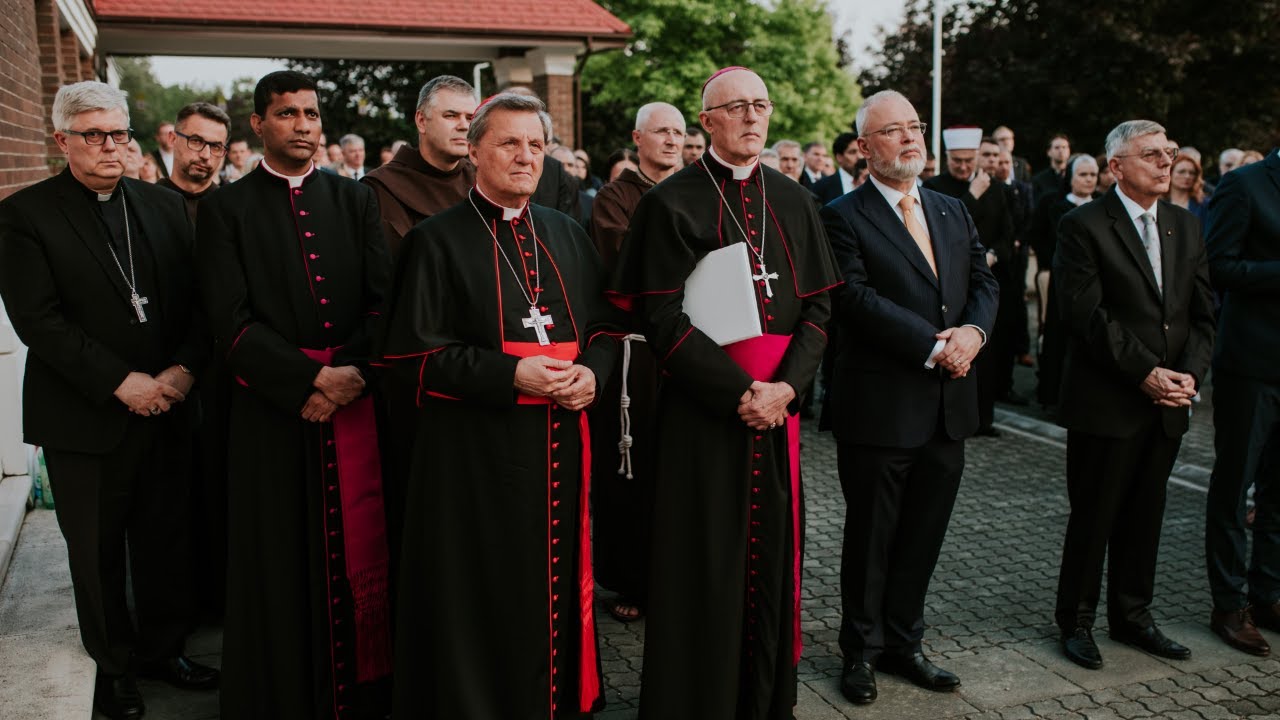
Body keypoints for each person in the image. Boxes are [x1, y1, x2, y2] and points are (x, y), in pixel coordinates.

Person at [379, 91, 618, 719]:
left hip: (563, 451)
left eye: (535, 145)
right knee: (487, 595)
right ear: (476, 151)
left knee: (558, 588)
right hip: (476, 461)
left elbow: (606, 329)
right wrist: (513, 374)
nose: (525, 156)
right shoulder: (436, 241)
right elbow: (412, 359)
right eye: (509, 143)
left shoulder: (567, 232)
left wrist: (593, 372)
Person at [610, 65, 839, 719]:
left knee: (771, 562)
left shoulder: (794, 200)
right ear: (705, 122)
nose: (751, 116)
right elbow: (659, 317)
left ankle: (765, 702)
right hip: (704, 410)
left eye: (760, 105)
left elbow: (820, 313)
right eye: (735, 107)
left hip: (778, 412)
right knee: (702, 560)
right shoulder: (671, 202)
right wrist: (741, 392)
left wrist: (785, 392)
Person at [0, 80, 217, 720]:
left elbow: (195, 302)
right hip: (85, 413)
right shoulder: (26, 214)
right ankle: (114, 665)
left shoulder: (162, 206)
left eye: (118, 134)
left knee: (164, 538)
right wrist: (123, 383)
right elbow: (38, 320)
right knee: (95, 550)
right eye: (92, 134)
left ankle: (163, 650)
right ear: (62, 139)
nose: (108, 147)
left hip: (168, 405)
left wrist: (181, 373)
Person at [197, 70, 393, 718]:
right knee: (278, 558)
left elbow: (383, 303)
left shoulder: (354, 199)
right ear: (258, 124)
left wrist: (353, 376)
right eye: (287, 114)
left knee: (357, 555)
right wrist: (309, 380)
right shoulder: (227, 208)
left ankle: (360, 694)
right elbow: (229, 319)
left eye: (311, 113)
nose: (304, 125)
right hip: (272, 413)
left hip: (353, 404)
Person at [820, 90, 997, 705]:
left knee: (923, 535)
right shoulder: (843, 214)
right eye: (894, 131)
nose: (911, 139)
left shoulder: (950, 209)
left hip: (949, 406)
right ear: (865, 148)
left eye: (916, 127)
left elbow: (983, 279)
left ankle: (905, 643)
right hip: (881, 407)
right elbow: (854, 299)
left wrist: (973, 334)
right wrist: (934, 344)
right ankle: (860, 653)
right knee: (871, 537)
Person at [1053, 120, 1215, 671]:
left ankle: (1134, 616)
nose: (1165, 162)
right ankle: (1075, 622)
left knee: (1147, 514)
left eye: (1168, 152)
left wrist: (1188, 376)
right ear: (1116, 167)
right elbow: (1084, 315)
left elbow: (1202, 314)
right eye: (1151, 155)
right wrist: (1146, 372)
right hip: (1107, 400)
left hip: (1167, 402)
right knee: (1094, 516)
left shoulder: (1186, 226)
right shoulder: (1083, 225)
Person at [587, 101, 685, 625]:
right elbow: (624, 260)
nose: (671, 140)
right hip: (637, 353)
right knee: (633, 469)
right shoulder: (615, 197)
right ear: (637, 138)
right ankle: (631, 579)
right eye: (661, 131)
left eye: (678, 131)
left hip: (691, 346)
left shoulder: (696, 187)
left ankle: (675, 575)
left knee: (680, 465)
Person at [1204, 147, 1280, 658]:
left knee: (1279, 491)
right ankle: (1229, 607)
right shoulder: (1246, 185)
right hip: (1251, 364)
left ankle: (1268, 594)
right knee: (1236, 486)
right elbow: (1218, 265)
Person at [925, 129, 1017, 433]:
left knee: (986, 347)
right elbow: (947, 224)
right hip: (950, 278)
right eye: (957, 161)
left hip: (988, 275)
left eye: (968, 161)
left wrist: (992, 255)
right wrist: (973, 195)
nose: (963, 167)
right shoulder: (934, 187)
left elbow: (1008, 234)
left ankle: (984, 418)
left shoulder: (997, 188)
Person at [362, 74, 477, 259]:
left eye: (470, 118)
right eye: (451, 115)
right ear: (422, 121)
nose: (464, 126)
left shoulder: (481, 181)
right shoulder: (380, 187)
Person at [1030, 154, 1097, 408]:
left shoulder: (1101, 205)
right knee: (1058, 339)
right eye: (1083, 174)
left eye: (1092, 175)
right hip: (1062, 281)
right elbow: (1038, 237)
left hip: (1093, 283)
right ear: (1070, 177)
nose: (1089, 180)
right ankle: (1053, 395)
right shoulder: (1054, 204)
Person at [156, 102, 230, 223]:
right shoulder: (146, 204)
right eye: (196, 141)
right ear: (173, 139)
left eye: (216, 146)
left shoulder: (231, 209)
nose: (205, 155)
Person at [812, 132, 860, 204]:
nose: (860, 156)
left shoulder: (874, 182)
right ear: (839, 157)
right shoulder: (821, 187)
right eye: (852, 152)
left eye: (862, 151)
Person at [1167, 153, 1209, 223]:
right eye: (1181, 172)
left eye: (1192, 173)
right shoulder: (1158, 202)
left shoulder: (1204, 204)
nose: (1187, 176)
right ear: (1170, 173)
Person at [1032, 133, 1071, 202]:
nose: (1061, 151)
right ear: (1049, 152)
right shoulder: (1039, 179)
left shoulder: (1075, 177)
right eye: (1057, 147)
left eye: (1064, 147)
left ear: (1069, 151)